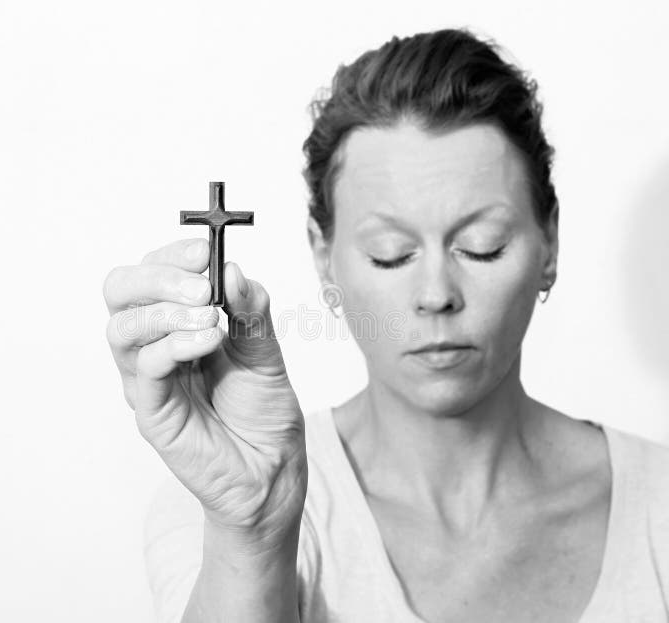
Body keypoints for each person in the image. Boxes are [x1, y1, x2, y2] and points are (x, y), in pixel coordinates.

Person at [103, 28, 669, 623]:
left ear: (548, 242)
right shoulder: (219, 509)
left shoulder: (658, 507)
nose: (436, 296)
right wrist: (253, 528)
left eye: (482, 246)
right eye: (391, 255)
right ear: (325, 257)